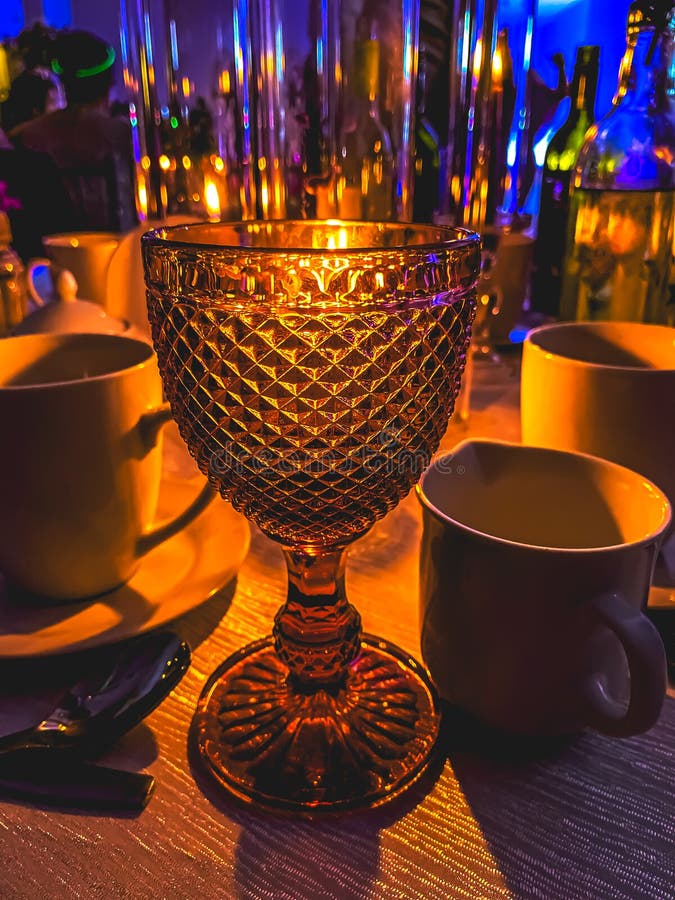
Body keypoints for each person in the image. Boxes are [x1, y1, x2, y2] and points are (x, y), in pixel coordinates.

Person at [10, 30, 137, 233]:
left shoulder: (23, 138)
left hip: (49, 255)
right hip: (120, 249)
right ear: (109, 85)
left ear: (64, 83)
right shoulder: (125, 137)